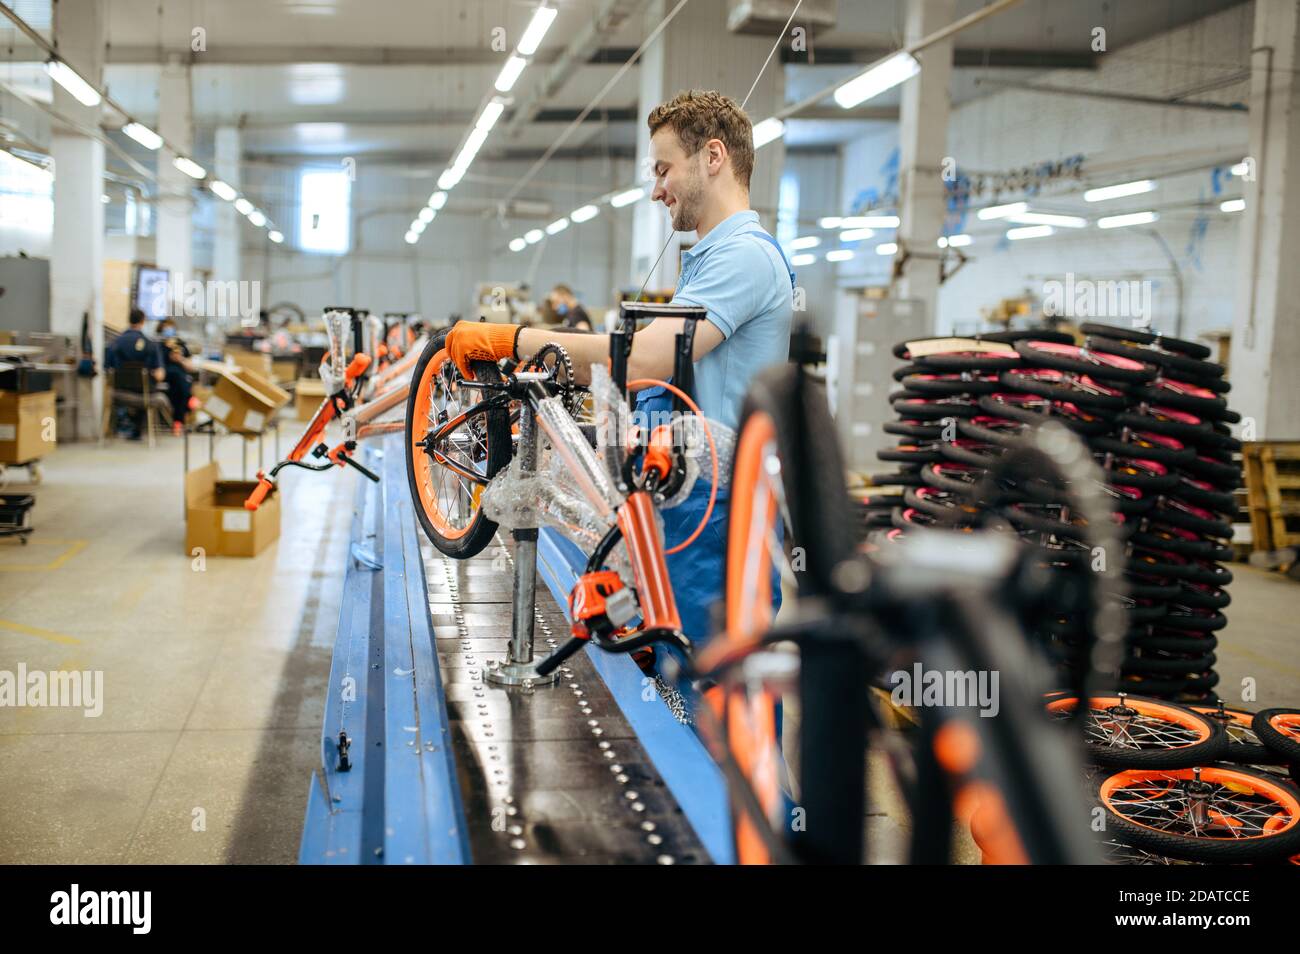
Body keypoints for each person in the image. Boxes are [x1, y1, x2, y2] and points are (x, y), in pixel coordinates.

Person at [443, 89, 794, 688]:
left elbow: (645, 361)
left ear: (713, 157)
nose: (657, 189)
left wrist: (515, 339)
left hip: (719, 518)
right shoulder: (710, 259)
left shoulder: (745, 257)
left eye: (663, 169)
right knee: (678, 679)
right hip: (687, 504)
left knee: (719, 704)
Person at [105, 307, 165, 439]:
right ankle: (137, 429)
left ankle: (123, 426)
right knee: (147, 390)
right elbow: (160, 375)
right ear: (143, 321)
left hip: (119, 393)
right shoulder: (151, 345)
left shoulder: (115, 343)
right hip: (144, 396)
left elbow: (107, 369)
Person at [158, 317, 197, 434]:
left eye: (170, 327)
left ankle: (177, 423)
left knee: (179, 390)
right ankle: (189, 399)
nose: (168, 330)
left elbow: (190, 366)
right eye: (165, 328)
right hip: (167, 375)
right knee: (181, 380)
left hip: (180, 379)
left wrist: (180, 359)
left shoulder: (180, 344)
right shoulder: (158, 345)